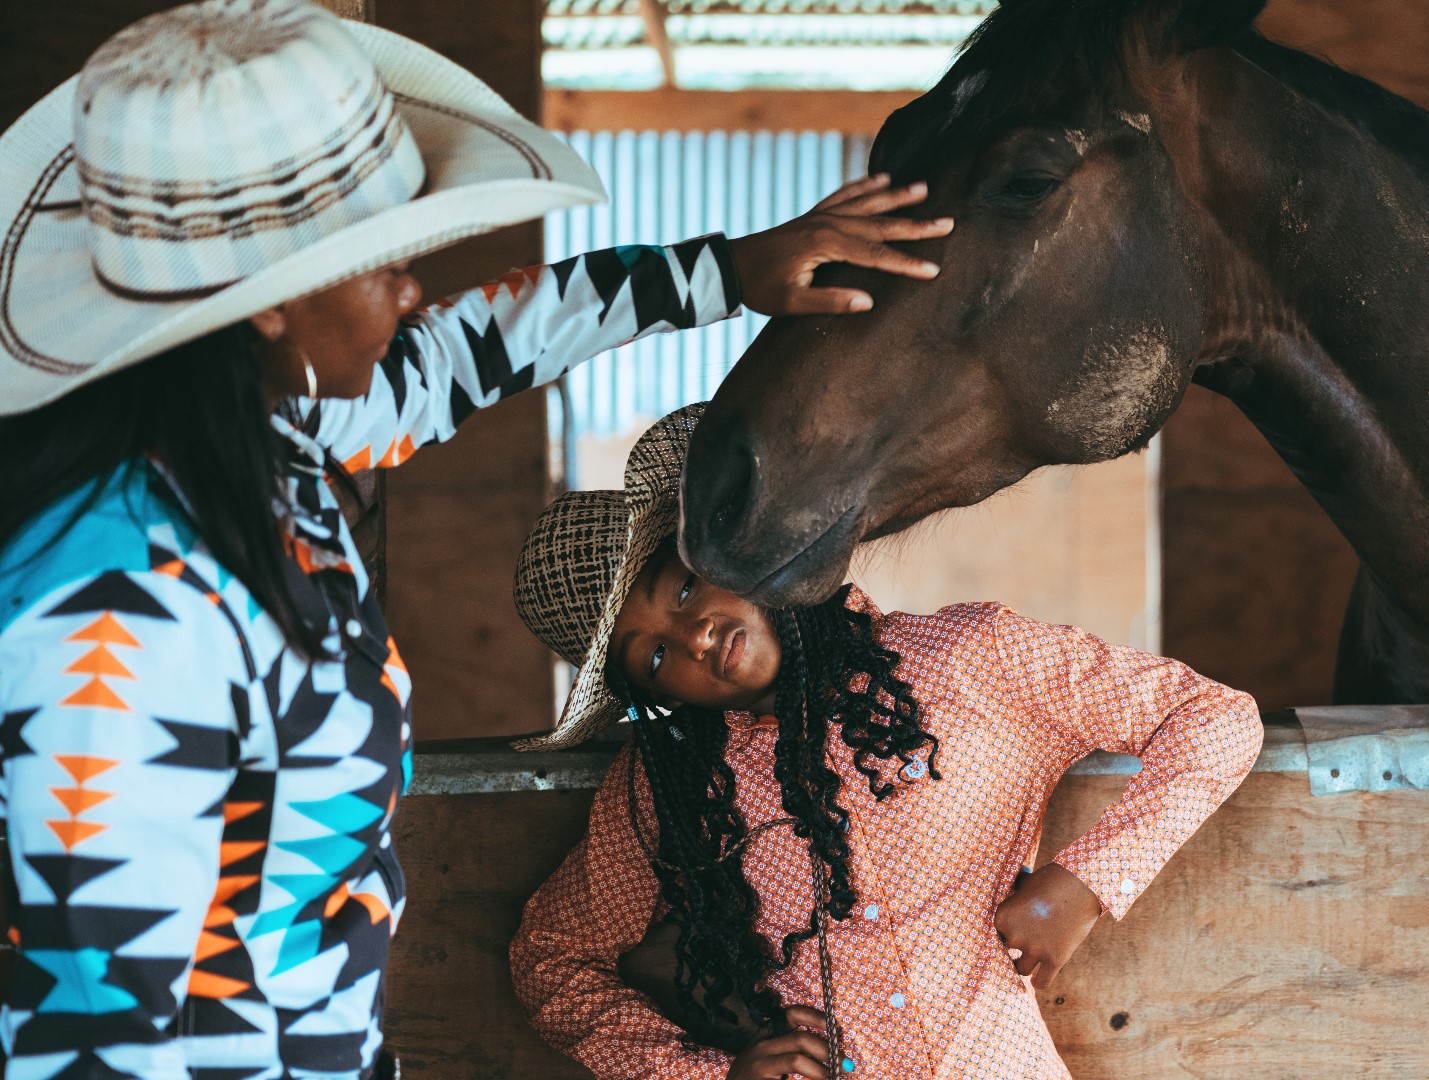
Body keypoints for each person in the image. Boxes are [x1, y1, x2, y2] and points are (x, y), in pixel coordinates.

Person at [0, 1, 950, 1075]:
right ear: (271, 302)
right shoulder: (119, 608)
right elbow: (105, 1025)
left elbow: (467, 352)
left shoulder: (274, 443)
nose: (412, 288)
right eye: (384, 259)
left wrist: (726, 273)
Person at [508, 405, 1265, 1079]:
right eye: (654, 658)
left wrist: (1083, 886)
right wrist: (708, 1076)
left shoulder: (971, 661)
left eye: (681, 590)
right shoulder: (667, 785)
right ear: (653, 694)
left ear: (734, 555)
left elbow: (1213, 717)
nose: (696, 637)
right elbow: (551, 962)